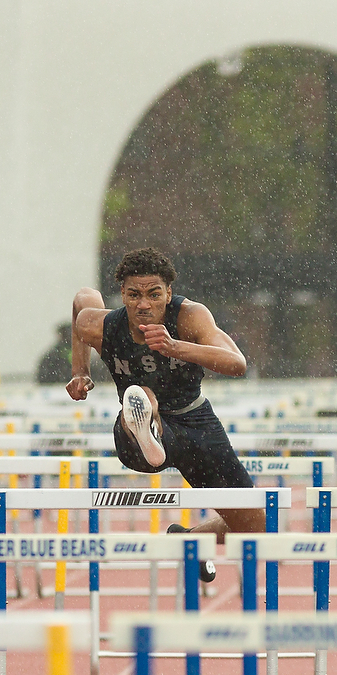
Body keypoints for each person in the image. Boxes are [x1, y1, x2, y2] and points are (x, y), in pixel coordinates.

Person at [67, 247, 259, 581]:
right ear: (122, 295)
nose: (144, 304)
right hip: (135, 434)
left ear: (168, 294)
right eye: (134, 295)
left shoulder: (189, 316)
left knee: (259, 528)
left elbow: (237, 363)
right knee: (143, 395)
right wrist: (80, 371)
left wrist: (175, 347)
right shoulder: (102, 325)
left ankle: (188, 540)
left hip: (196, 423)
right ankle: (147, 421)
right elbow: (82, 300)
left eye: (154, 295)